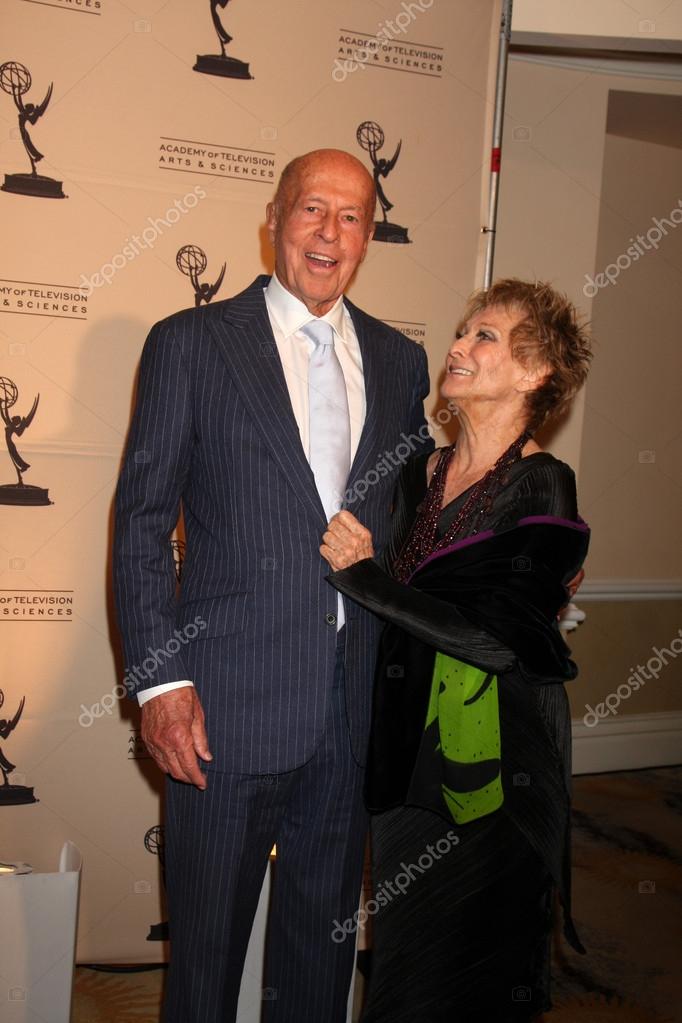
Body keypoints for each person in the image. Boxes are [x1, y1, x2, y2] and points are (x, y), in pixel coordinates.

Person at [113, 148, 432, 1023]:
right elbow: (142, 521)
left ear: (368, 236)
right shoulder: (191, 343)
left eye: (352, 217)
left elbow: (411, 523)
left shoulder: (402, 362)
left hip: (351, 717)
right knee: (204, 969)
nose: (330, 232)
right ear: (275, 220)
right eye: (312, 209)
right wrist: (161, 684)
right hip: (219, 715)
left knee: (317, 970)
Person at [321, 278, 592, 1022]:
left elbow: (494, 641)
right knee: (404, 973)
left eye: (485, 337)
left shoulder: (544, 485)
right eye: (463, 331)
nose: (458, 347)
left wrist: (363, 577)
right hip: (408, 753)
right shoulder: (420, 473)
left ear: (534, 372)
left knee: (480, 971)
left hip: (496, 767)